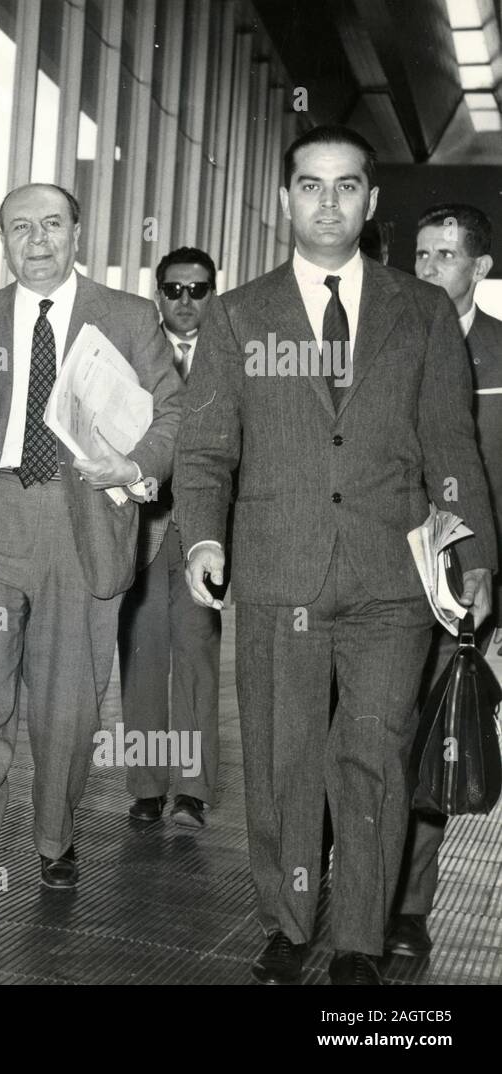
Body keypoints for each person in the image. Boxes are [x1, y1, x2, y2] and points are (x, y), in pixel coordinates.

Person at [175, 126, 496, 985]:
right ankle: (287, 921)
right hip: (281, 571)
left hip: (394, 579)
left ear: (370, 200)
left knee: (374, 756)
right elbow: (205, 451)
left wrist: (474, 557)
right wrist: (203, 538)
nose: (328, 202)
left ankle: (358, 941)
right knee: (285, 760)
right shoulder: (237, 315)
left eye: (347, 186)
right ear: (285, 200)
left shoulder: (421, 312)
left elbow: (450, 447)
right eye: (311, 186)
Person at [0, 182, 183, 917]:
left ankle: (56, 837)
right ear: (2, 240)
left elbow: (177, 414)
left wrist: (136, 466)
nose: (37, 240)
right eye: (20, 227)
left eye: (52, 224)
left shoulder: (127, 317)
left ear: (77, 232)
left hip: (84, 518)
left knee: (67, 708)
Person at [387, 203, 502, 957]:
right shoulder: (380, 346)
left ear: (480, 270)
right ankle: (348, 874)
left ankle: (409, 906)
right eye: (420, 256)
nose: (428, 269)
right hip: (381, 571)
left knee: (434, 734)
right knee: (366, 733)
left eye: (446, 256)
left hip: (465, 582)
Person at [117, 247, 221, 828]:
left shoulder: (233, 356)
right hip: (142, 526)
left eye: (197, 290)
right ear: (158, 293)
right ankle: (148, 786)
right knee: (142, 657)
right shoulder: (135, 350)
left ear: (213, 293)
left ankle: (193, 791)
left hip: (204, 532)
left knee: (198, 656)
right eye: (173, 289)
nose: (185, 301)